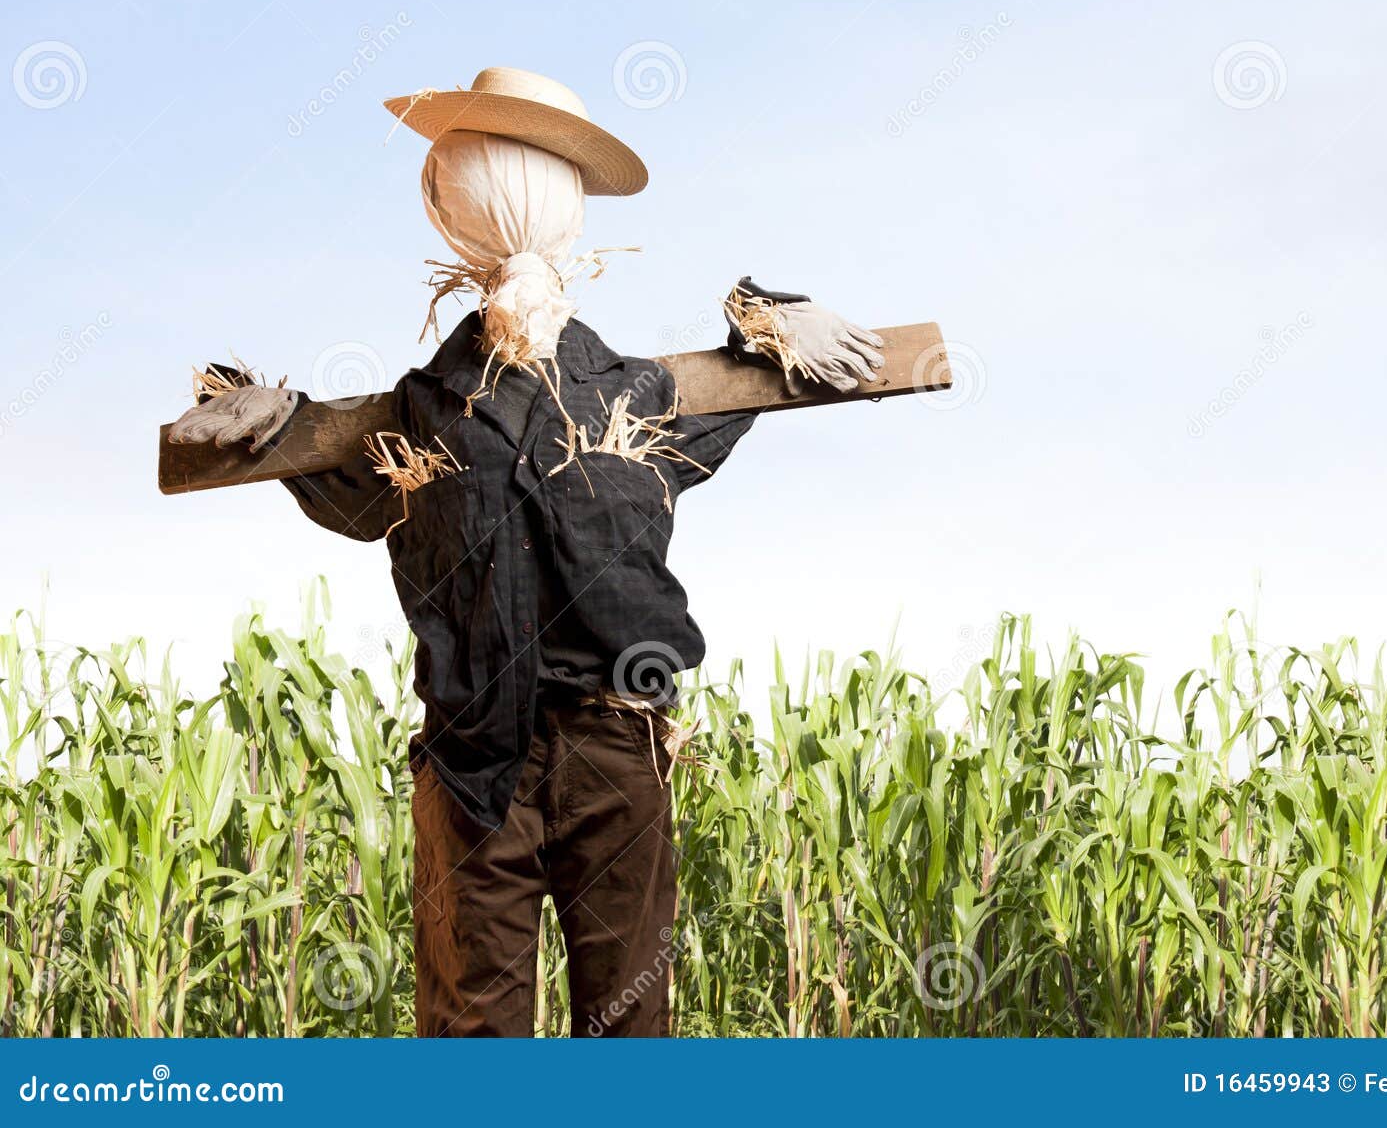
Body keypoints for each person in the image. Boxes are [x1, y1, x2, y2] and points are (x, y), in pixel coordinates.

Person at [167, 67, 884, 1037]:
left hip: (617, 751)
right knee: (474, 1041)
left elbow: (749, 382)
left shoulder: (635, 397)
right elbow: (337, 478)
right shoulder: (421, 414)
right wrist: (254, 409)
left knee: (627, 1033)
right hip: (472, 771)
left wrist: (767, 314)